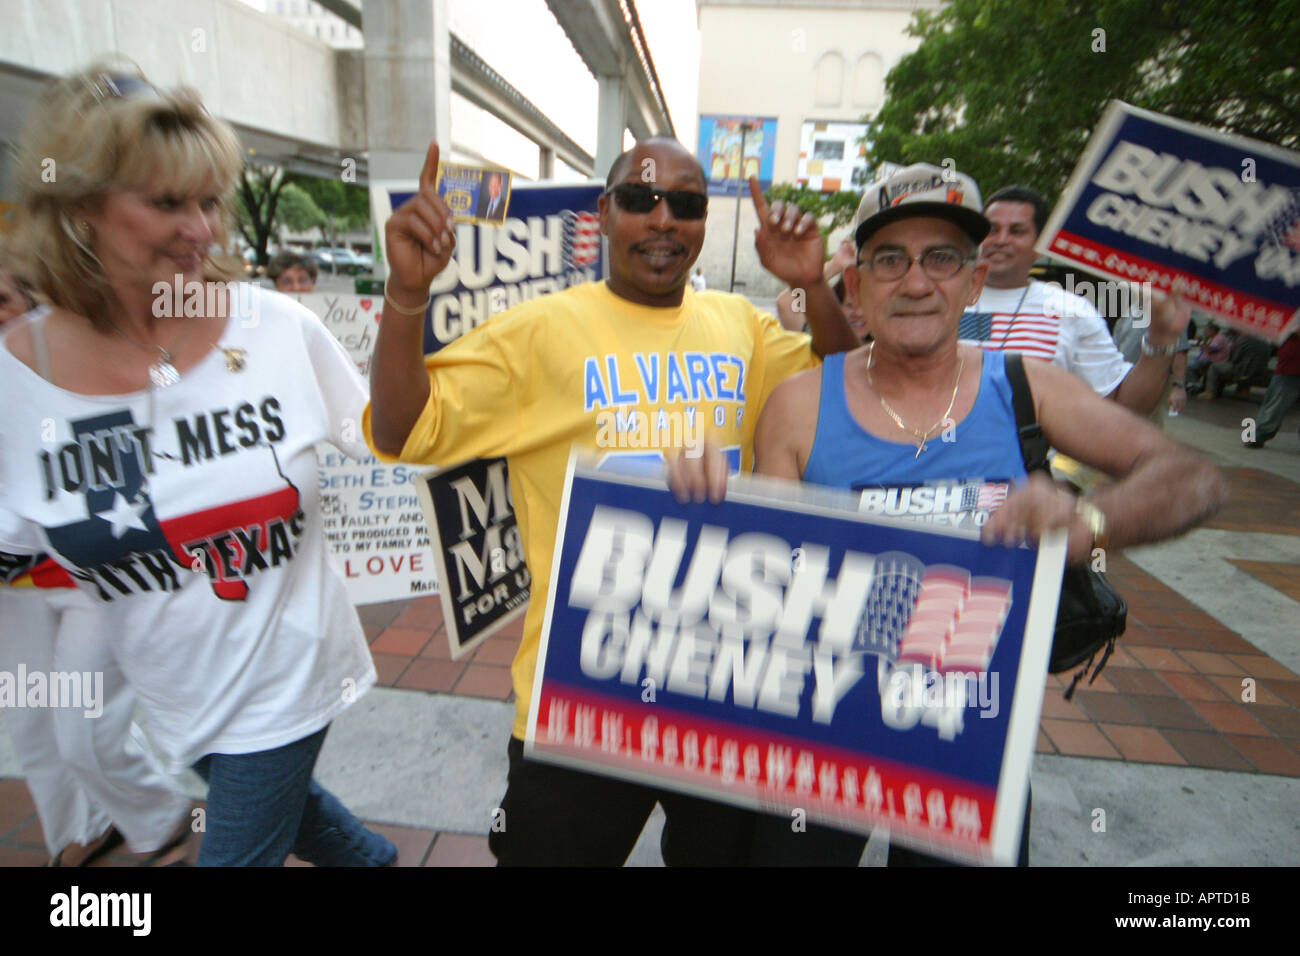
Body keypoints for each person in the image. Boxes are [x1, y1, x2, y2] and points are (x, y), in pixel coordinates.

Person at [667, 162, 1228, 866]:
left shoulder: (1024, 386)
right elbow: (762, 584)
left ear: (970, 280)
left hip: (970, 749)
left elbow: (1191, 477)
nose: (916, 281)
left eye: (940, 258)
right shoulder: (800, 405)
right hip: (815, 744)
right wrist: (703, 513)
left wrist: (1088, 525)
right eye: (890, 260)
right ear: (859, 285)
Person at [365, 136, 859, 865]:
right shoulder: (538, 331)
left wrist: (815, 288)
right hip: (579, 694)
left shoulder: (744, 328)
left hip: (715, 687)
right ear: (604, 213)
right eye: (641, 198)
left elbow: (848, 390)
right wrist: (407, 295)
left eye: (686, 205)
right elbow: (404, 430)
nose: (663, 219)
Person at [0, 62, 395, 867]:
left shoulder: (276, 328)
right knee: (312, 823)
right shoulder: (16, 373)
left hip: (288, 672)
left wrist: (414, 304)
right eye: (166, 202)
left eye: (210, 200)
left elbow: (399, 436)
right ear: (80, 208)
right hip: (175, 694)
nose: (202, 229)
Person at [1, 256, 193, 867]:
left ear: (32, 302)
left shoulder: (65, 360)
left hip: (90, 580)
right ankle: (77, 838)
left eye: (0, 301)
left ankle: (163, 821)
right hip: (12, 594)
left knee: (84, 729)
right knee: (33, 728)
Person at [967, 185, 1189, 415]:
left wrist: (1161, 337)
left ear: (1040, 246)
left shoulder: (1072, 310)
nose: (1001, 240)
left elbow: (1124, 406)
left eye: (1017, 231)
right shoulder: (942, 298)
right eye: (992, 230)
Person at [776, 237, 869, 341]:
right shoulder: (822, 342)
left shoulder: (887, 346)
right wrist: (835, 265)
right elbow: (787, 303)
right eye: (849, 306)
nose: (859, 313)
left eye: (865, 305)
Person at [1246, 333, 1300, 448]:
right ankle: (1257, 435)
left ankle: (1257, 435)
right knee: (1275, 405)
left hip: (1290, 366)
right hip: (1290, 368)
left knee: (1275, 403)